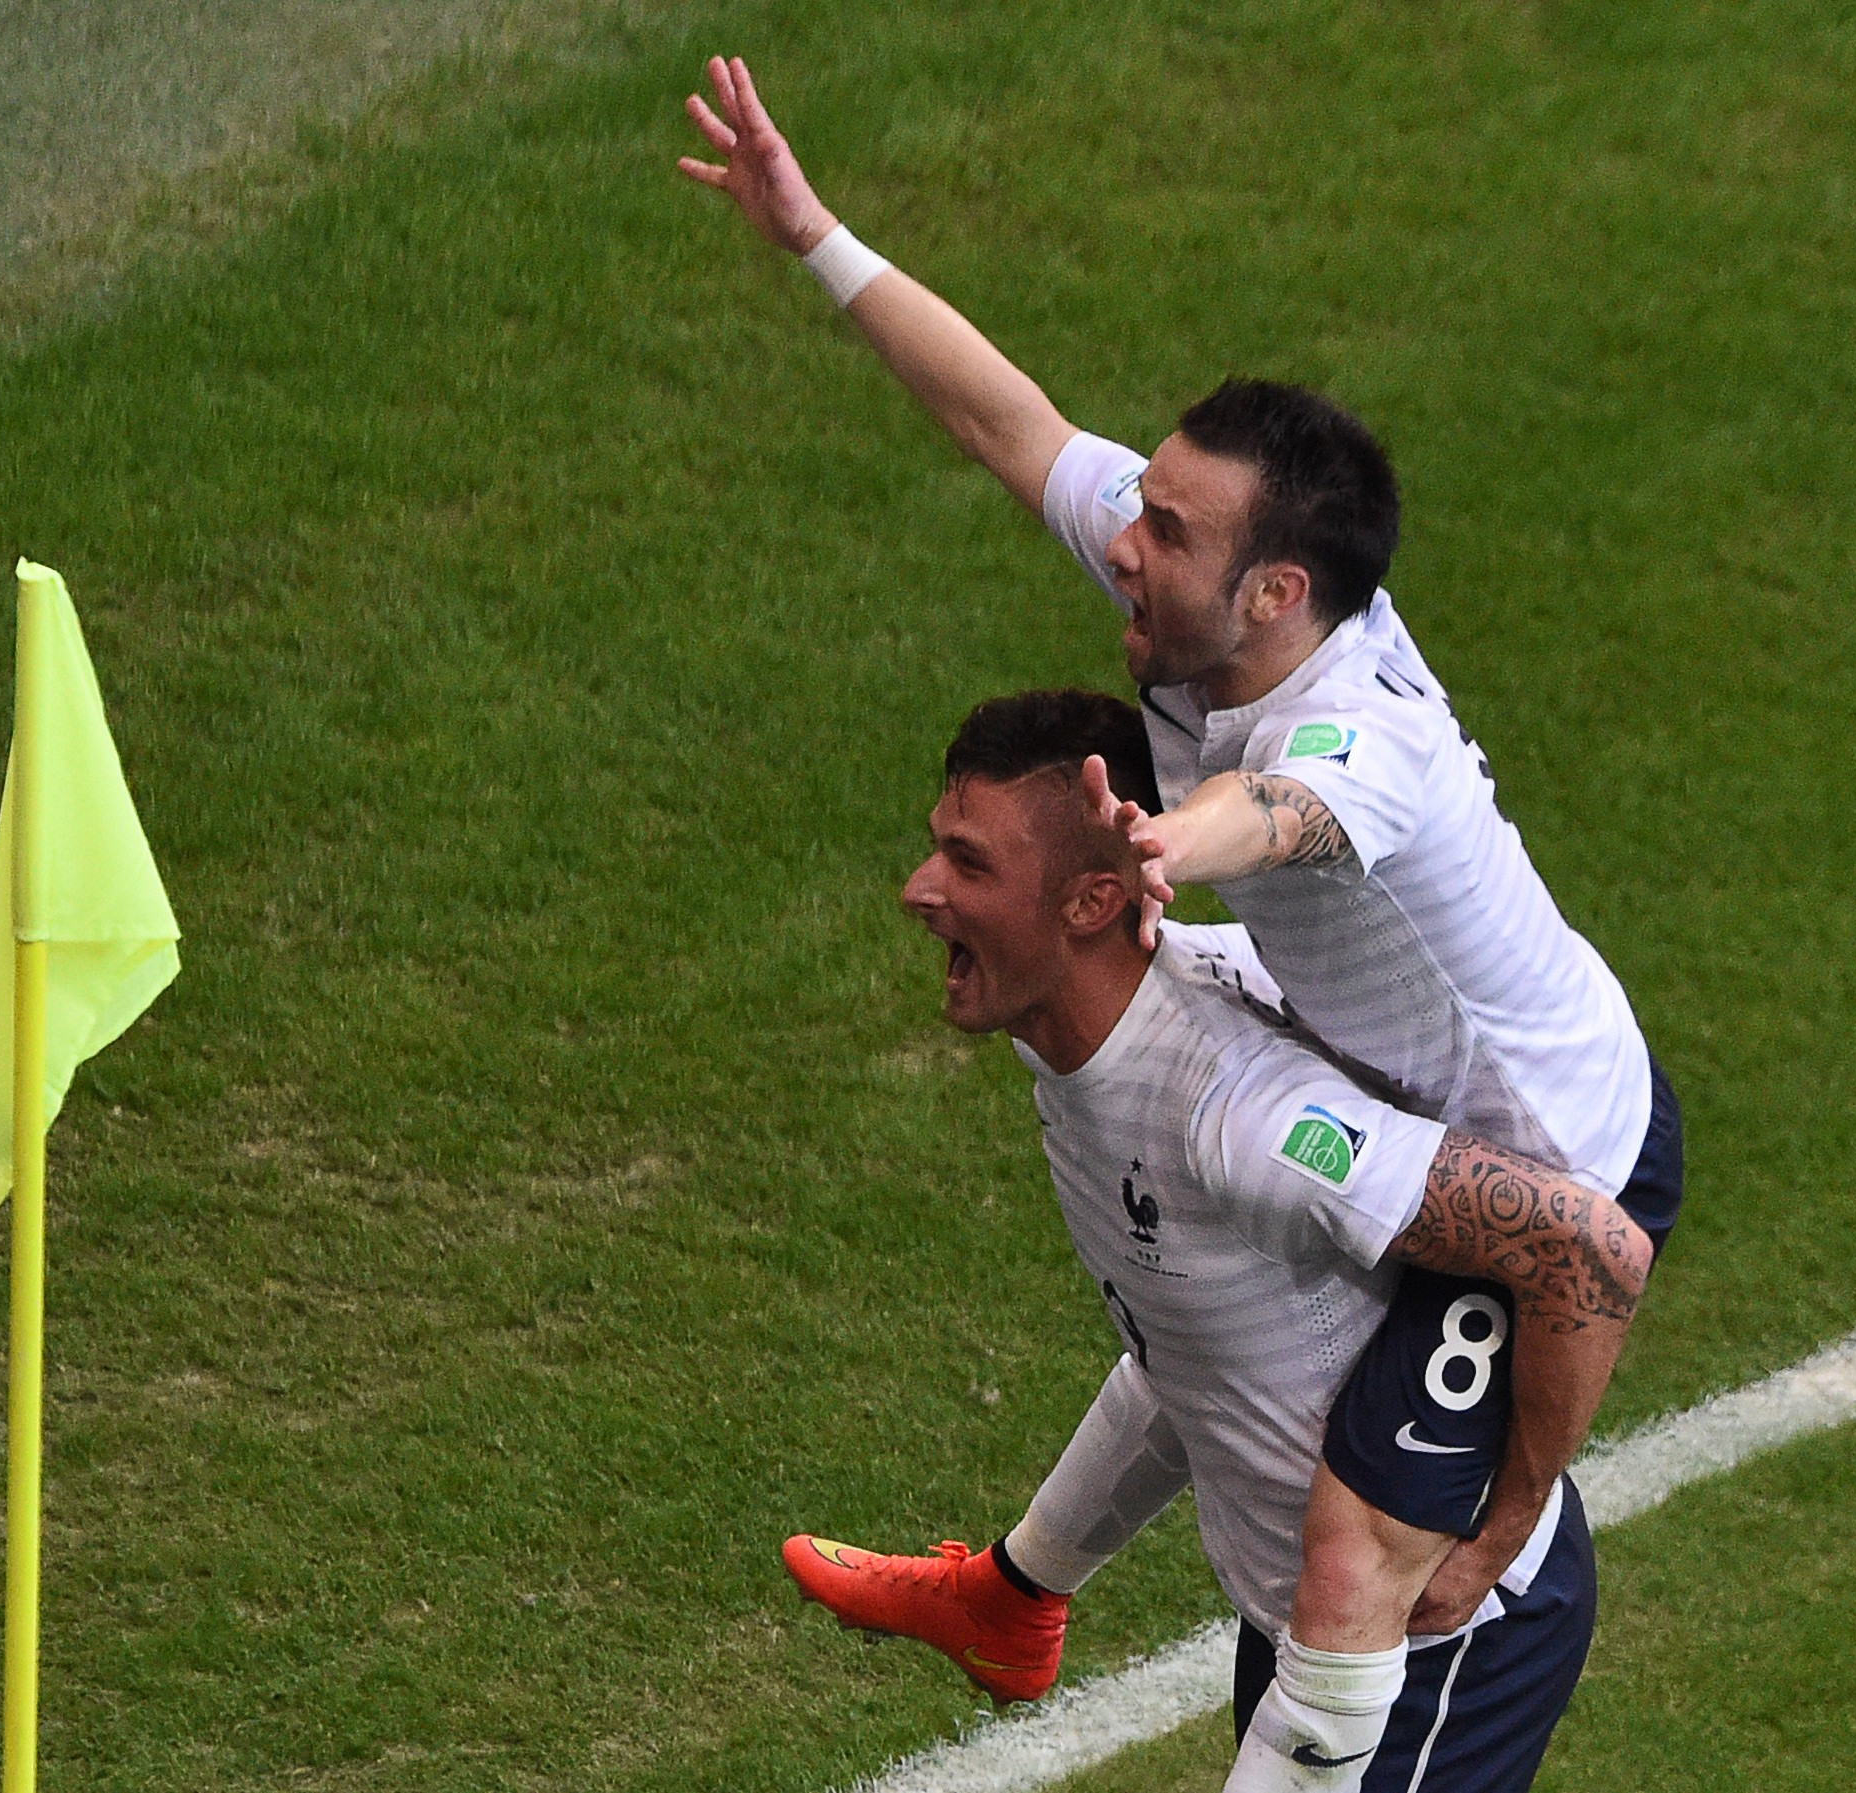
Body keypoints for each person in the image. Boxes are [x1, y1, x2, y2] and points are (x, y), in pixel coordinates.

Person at [678, 53, 1684, 1681]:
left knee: (1352, 1556)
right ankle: (1014, 1592)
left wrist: (1162, 840)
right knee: (1213, 1287)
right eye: (1142, 508)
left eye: (1168, 531)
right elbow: (1007, 421)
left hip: (1562, 1154)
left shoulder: (1364, 735)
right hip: (1403, 1074)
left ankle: (1488, 1576)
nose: (1124, 545)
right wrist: (816, 237)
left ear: (1278, 591)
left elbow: (1280, 812)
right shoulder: (1203, 589)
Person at [793, 689, 1646, 1790]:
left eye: (968, 864)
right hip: (1305, 1626)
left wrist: (1506, 1525)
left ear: (1093, 901)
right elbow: (1190, 1348)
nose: (921, 890)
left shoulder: (1240, 1118)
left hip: (1438, 1645)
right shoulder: (1079, 1040)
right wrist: (1023, 1581)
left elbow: (1587, 1244)